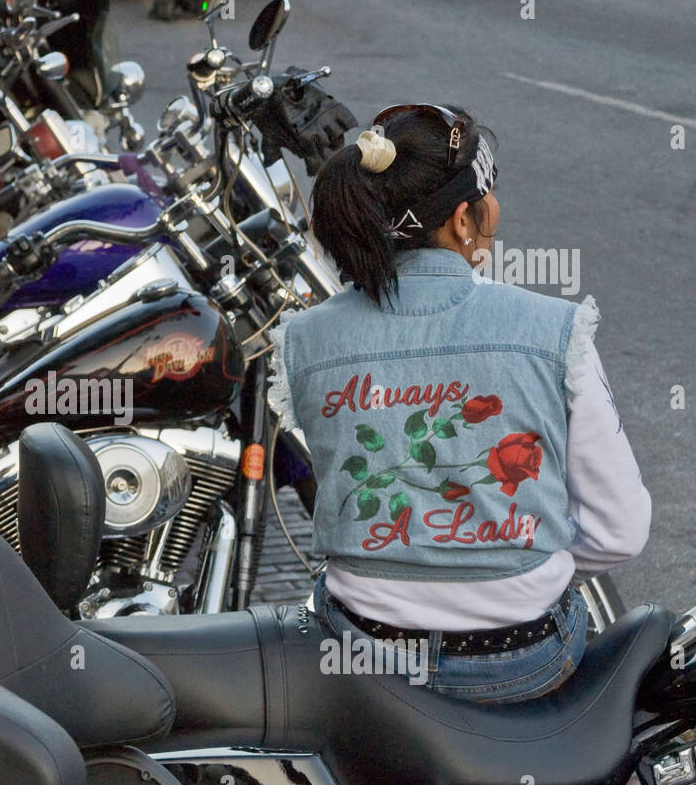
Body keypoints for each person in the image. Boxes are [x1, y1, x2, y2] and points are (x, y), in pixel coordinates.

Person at [269, 104, 650, 703]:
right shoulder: (554, 329)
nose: (496, 209)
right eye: (488, 196)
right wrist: (513, 567)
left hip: (360, 662)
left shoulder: (303, 338)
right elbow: (618, 531)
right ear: (463, 221)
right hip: (521, 659)